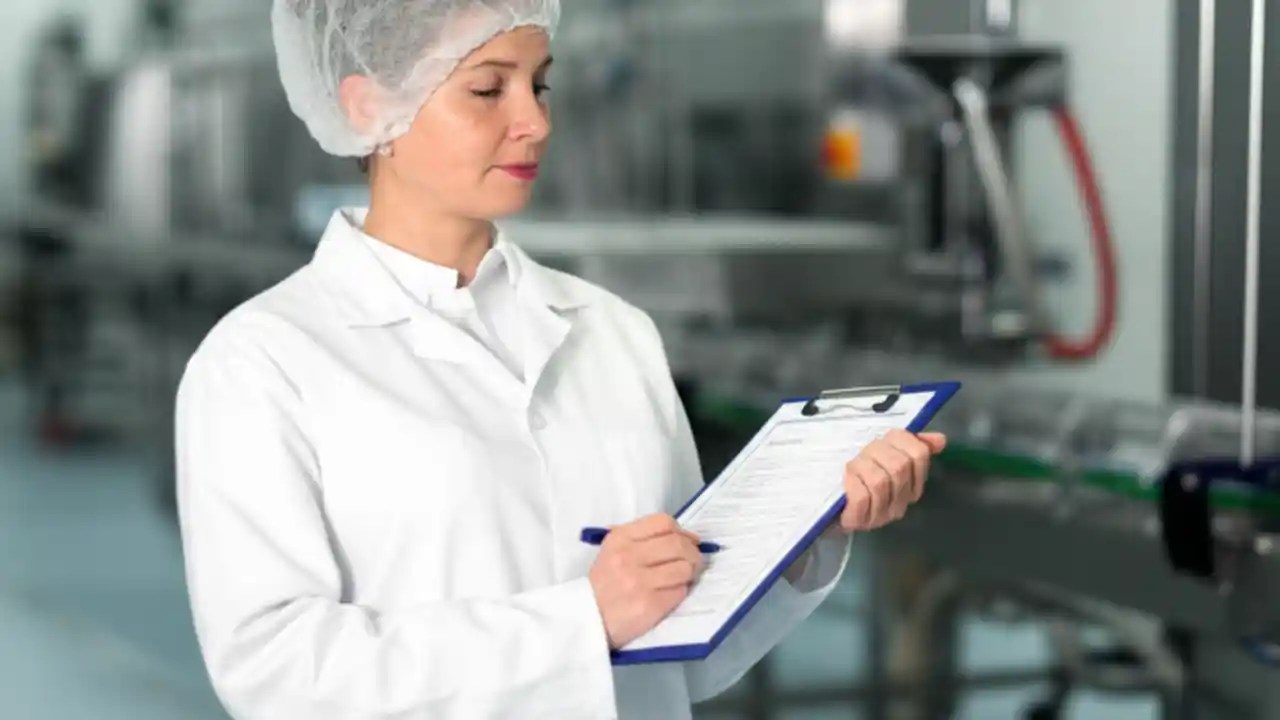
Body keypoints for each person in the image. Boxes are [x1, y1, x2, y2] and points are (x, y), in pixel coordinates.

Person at [174, 1, 948, 718]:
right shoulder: (263, 363)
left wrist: (805, 535)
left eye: (539, 85)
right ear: (367, 105)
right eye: (487, 89)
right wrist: (583, 620)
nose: (535, 122)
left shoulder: (613, 331)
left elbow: (687, 656)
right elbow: (276, 676)